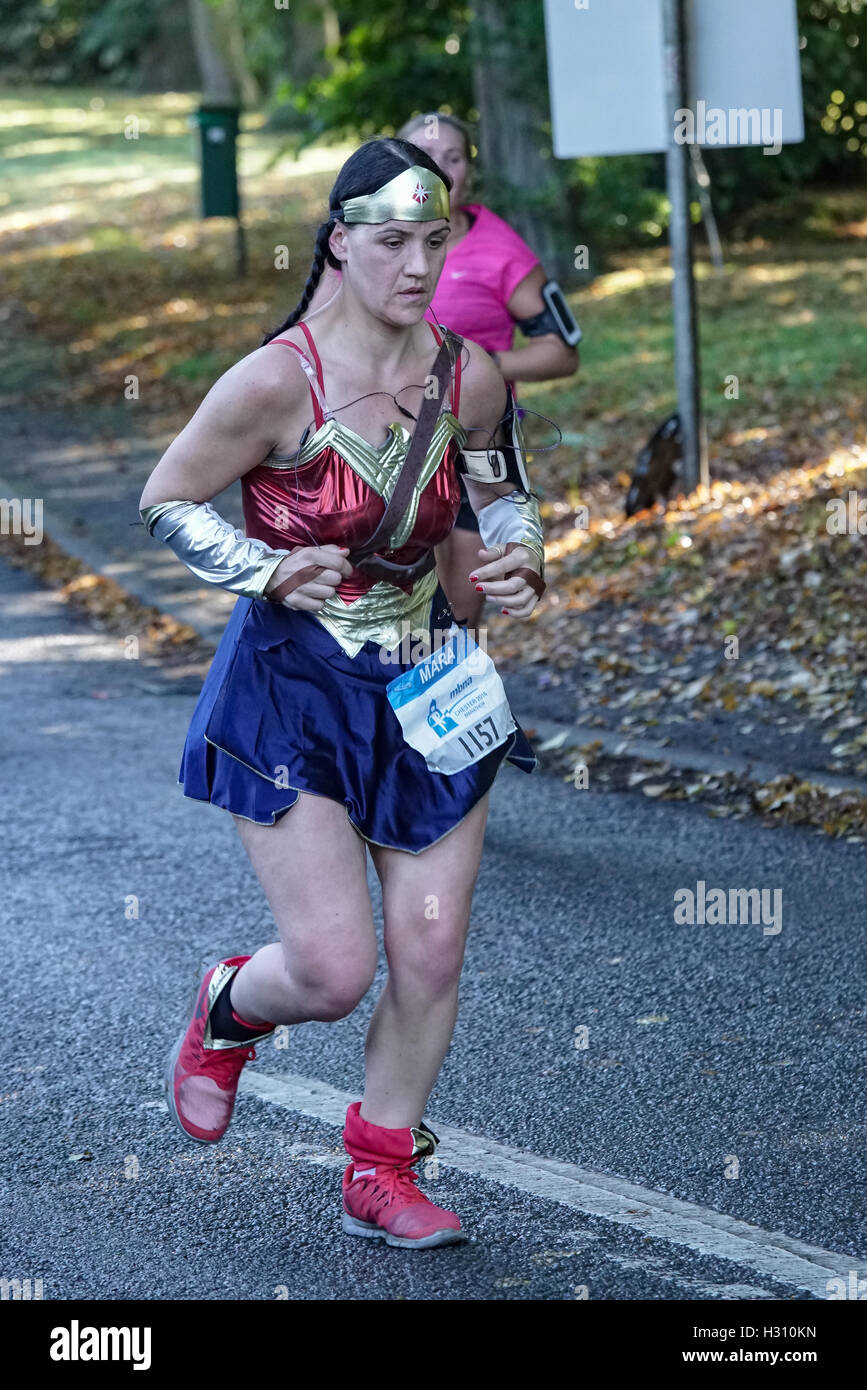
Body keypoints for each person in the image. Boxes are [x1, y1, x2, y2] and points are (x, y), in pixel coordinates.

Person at [138, 136, 547, 1250]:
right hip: (293, 688)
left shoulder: (469, 373)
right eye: (391, 242)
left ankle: (381, 1164)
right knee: (331, 968)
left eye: (434, 239)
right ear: (339, 243)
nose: (417, 265)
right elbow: (168, 499)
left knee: (430, 951)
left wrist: (519, 550)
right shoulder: (275, 381)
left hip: (429, 680)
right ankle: (230, 1004)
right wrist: (263, 567)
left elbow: (506, 497)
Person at [305, 111, 580, 633]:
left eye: (452, 158)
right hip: (374, 438)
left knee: (452, 619)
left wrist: (470, 370)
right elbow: (311, 338)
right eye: (423, 158)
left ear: (469, 170)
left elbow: (563, 352)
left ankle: (451, 697)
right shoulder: (363, 245)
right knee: (369, 610)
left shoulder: (502, 249)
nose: (438, 171)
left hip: (467, 440)